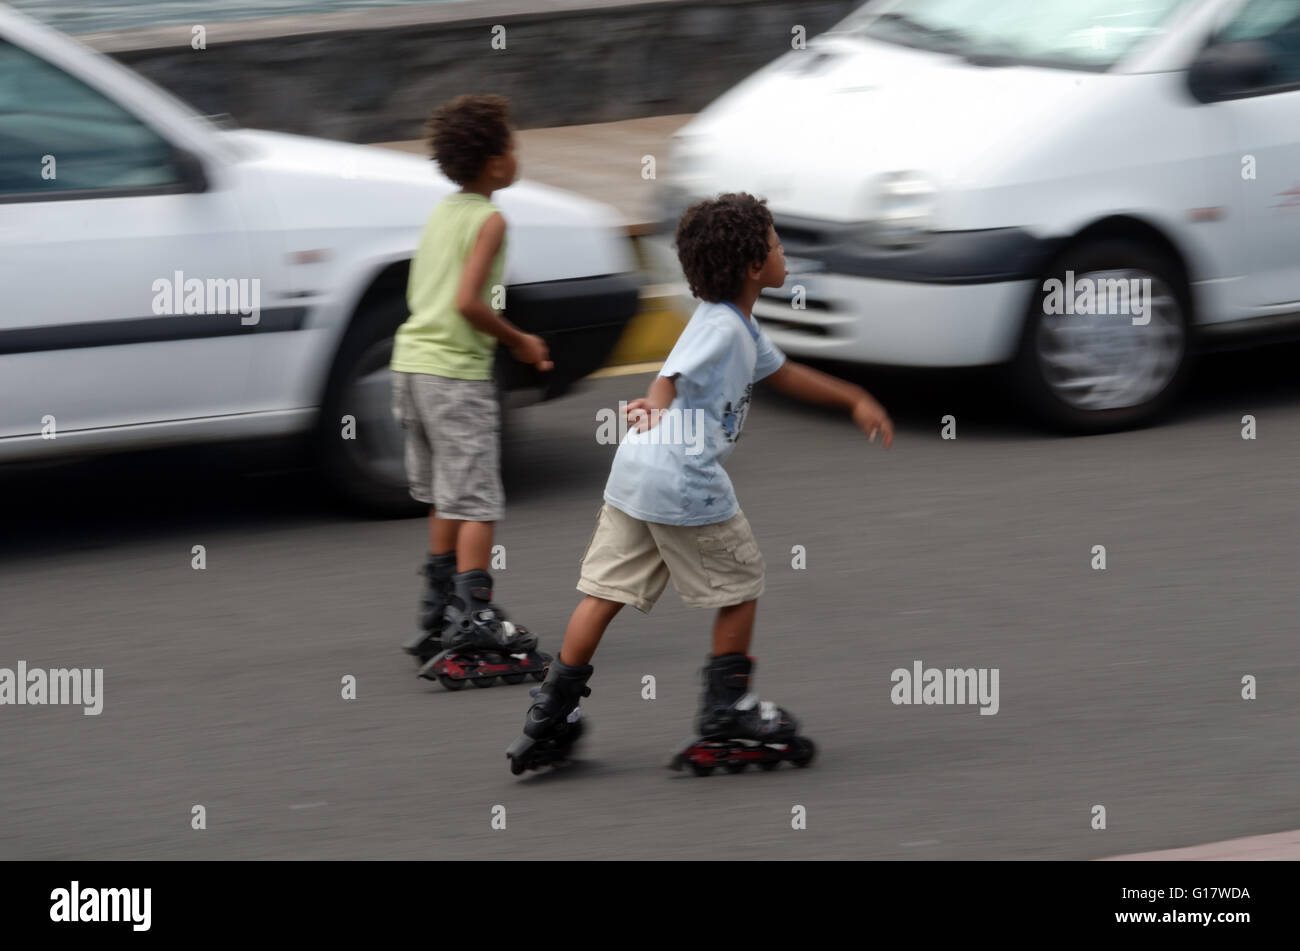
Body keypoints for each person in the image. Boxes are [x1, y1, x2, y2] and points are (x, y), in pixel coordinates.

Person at [507, 192, 894, 771]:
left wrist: (854, 398)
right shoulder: (723, 329)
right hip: (683, 479)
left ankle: (550, 712)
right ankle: (726, 708)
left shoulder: (732, 323)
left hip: (636, 475)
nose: (783, 253)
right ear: (754, 266)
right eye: (776, 244)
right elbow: (670, 376)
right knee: (740, 585)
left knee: (604, 593)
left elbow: (785, 374)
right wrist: (656, 403)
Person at [392, 93, 552, 672]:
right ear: (493, 162)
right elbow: (468, 302)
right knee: (479, 499)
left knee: (447, 494)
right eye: (512, 145)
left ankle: (438, 607)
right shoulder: (490, 219)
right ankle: (475, 615)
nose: (518, 154)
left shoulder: (443, 211)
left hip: (410, 366)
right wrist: (520, 341)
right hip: (454, 377)